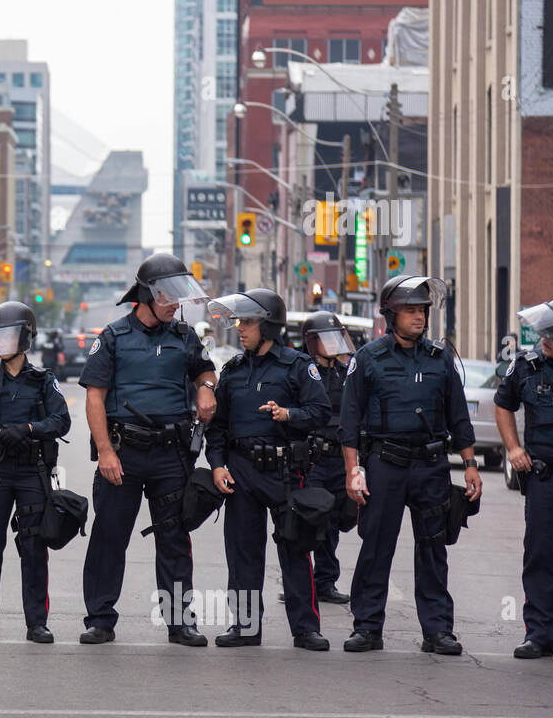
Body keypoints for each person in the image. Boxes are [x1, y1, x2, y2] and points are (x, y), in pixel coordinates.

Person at [77, 253, 216, 646]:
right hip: (124, 452)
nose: (176, 304)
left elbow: (205, 370)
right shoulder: (114, 337)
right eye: (170, 297)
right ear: (148, 295)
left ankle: (178, 621)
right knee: (109, 537)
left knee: (174, 538)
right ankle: (100, 619)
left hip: (171, 455)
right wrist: (105, 451)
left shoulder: (184, 337)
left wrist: (206, 388)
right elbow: (94, 398)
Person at [338, 275, 481, 655]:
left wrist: (469, 464)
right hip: (385, 464)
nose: (419, 318)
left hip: (431, 465)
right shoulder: (368, 358)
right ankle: (367, 627)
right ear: (390, 315)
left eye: (422, 311)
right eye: (411, 311)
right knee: (376, 546)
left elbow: (458, 417)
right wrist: (354, 470)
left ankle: (437, 631)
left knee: (433, 548)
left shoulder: (440, 359)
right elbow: (349, 422)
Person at [204, 288, 332, 650]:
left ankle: (305, 628)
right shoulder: (233, 370)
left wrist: (288, 414)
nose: (240, 328)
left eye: (248, 322)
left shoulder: (296, 365)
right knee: (243, 553)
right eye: (239, 321)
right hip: (241, 470)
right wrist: (216, 466)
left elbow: (321, 412)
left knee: (294, 547)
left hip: (285, 471)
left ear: (269, 324)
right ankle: (245, 628)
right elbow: (217, 428)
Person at [0, 301, 70, 643]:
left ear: (24, 338)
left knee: (34, 547)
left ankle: (37, 622)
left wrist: (28, 428)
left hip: (30, 472)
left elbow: (61, 420)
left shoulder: (42, 381)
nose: (2, 341)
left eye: (9, 335)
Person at [494, 296, 553, 659]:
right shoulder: (527, 366)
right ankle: (540, 635)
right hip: (546, 477)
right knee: (541, 557)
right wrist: (513, 449)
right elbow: (503, 404)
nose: (546, 340)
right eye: (545, 334)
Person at [299, 311, 355, 604]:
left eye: (337, 337)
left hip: (340, 457)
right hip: (313, 458)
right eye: (327, 338)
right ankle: (301, 580)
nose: (334, 343)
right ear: (312, 341)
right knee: (311, 519)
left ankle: (325, 581)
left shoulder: (347, 373)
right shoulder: (303, 371)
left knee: (335, 520)